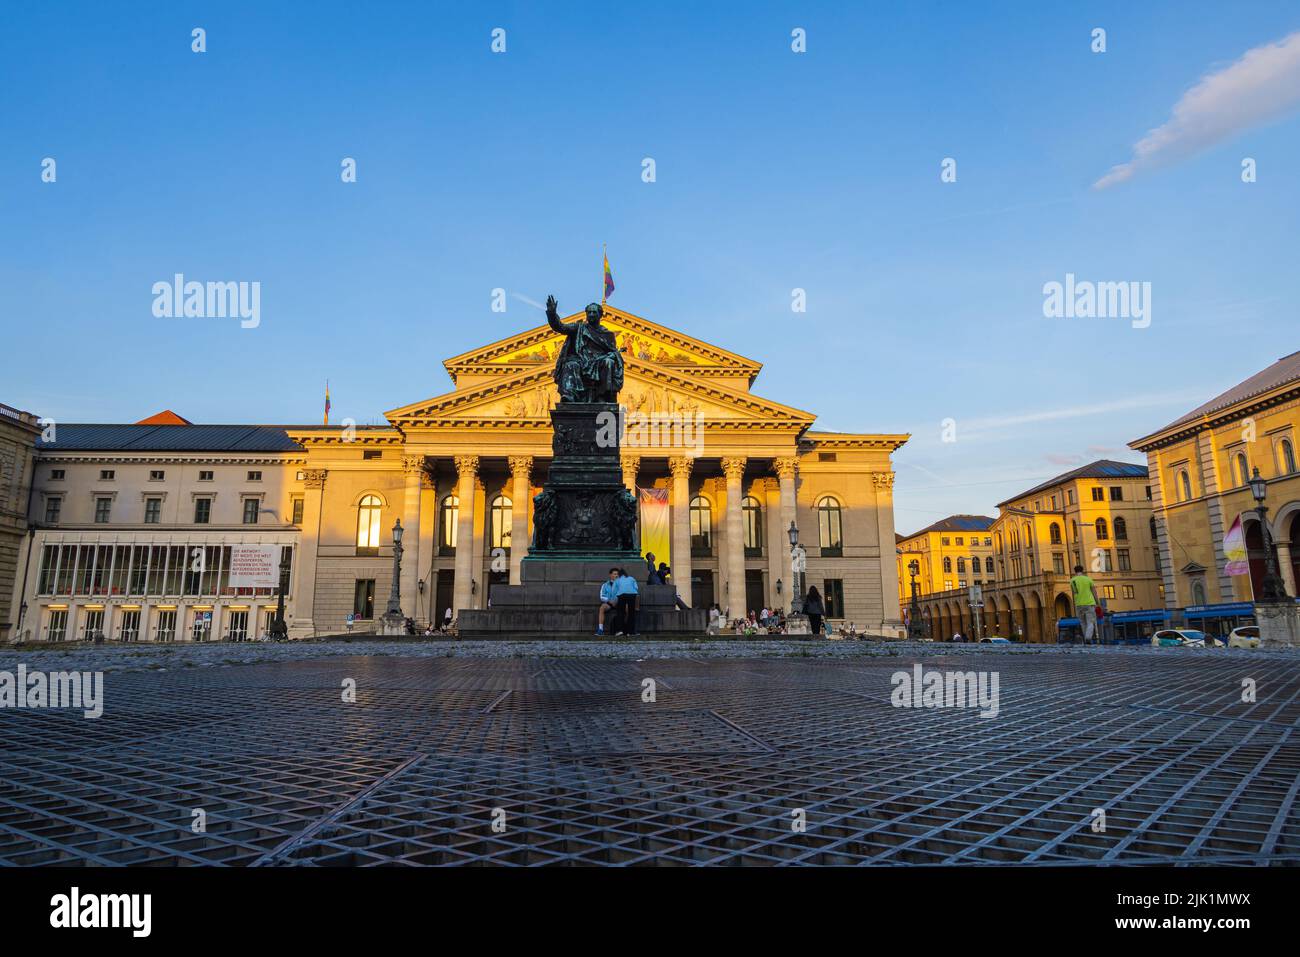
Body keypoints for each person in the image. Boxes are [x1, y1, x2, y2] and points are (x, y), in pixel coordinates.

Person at [1070, 564, 1099, 644]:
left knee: (1083, 622)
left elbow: (1075, 592)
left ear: (1075, 571)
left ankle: (1086, 638)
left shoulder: (1072, 580)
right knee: (1090, 621)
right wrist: (1097, 602)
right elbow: (1094, 591)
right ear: (1082, 571)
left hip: (1079, 604)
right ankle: (1088, 637)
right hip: (1089, 603)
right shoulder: (1088, 579)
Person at [614, 567, 639, 636]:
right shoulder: (631, 578)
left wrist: (615, 598)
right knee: (631, 613)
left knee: (620, 613)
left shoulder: (617, 580)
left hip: (622, 595)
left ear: (619, 574)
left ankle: (620, 630)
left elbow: (614, 590)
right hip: (632, 595)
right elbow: (636, 588)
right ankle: (631, 631)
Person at [596, 568, 620, 636]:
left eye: (617, 574)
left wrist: (616, 601)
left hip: (618, 603)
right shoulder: (605, 585)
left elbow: (622, 594)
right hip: (608, 603)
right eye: (615, 574)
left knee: (627, 608)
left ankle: (627, 629)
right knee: (602, 608)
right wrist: (609, 601)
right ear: (610, 575)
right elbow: (602, 596)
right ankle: (600, 630)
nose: (616, 575)